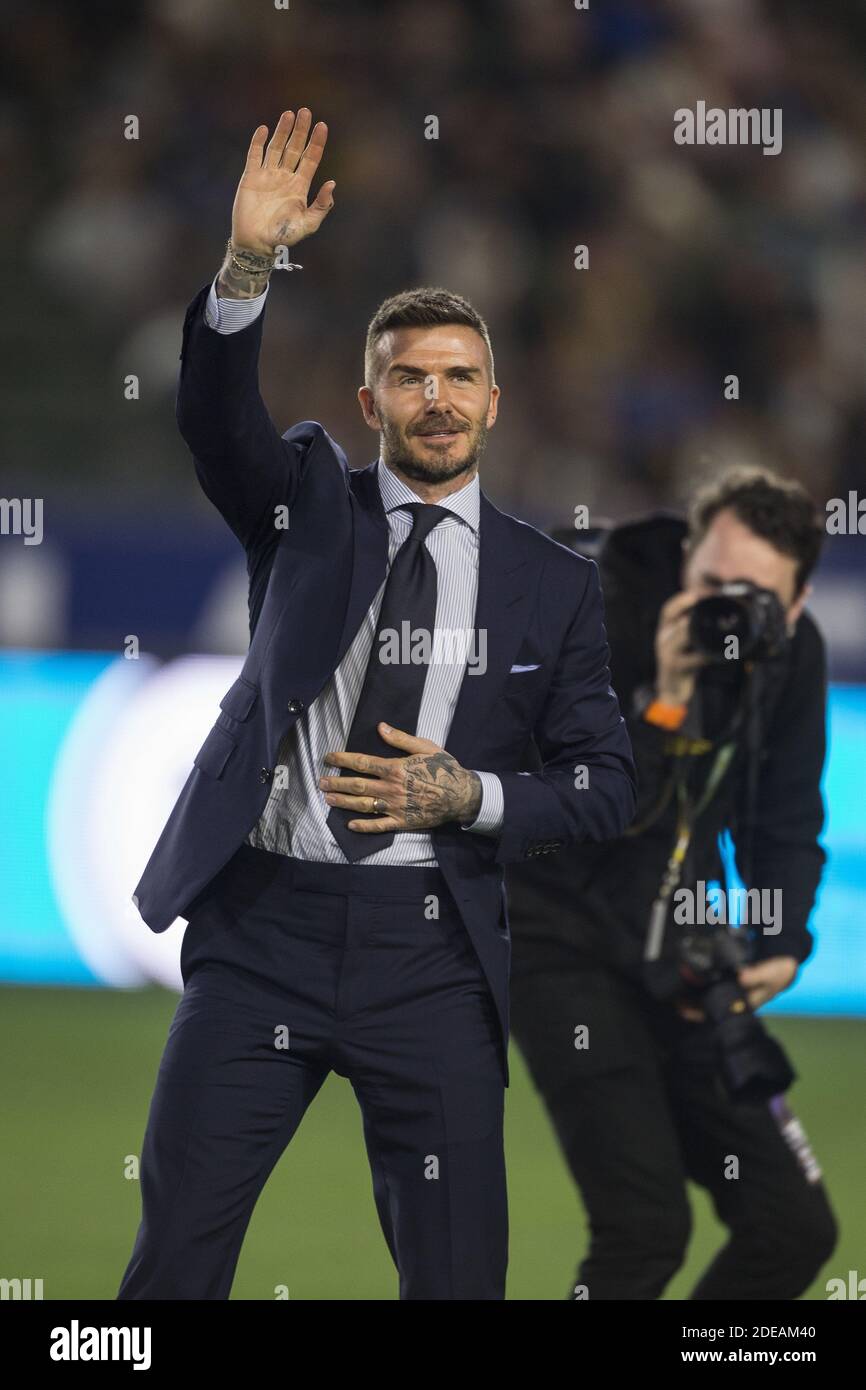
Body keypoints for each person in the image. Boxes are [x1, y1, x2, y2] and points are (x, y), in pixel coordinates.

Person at [117, 107, 636, 1300]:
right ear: (370, 401)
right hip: (262, 936)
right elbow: (211, 418)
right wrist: (249, 262)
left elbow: (604, 786)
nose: (437, 399)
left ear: (496, 402)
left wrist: (472, 794)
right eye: (410, 379)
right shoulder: (302, 497)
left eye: (459, 379)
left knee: (458, 1279)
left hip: (432, 956)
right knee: (173, 1267)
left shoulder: (553, 588)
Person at [506, 467, 839, 1300]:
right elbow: (579, 814)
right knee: (645, 1232)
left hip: (679, 943)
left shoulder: (793, 655)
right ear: (688, 554)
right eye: (710, 582)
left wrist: (784, 939)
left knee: (792, 1229)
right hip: (557, 940)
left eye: (754, 595)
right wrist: (664, 702)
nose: (724, 609)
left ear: (795, 606)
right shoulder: (593, 610)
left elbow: (788, 818)